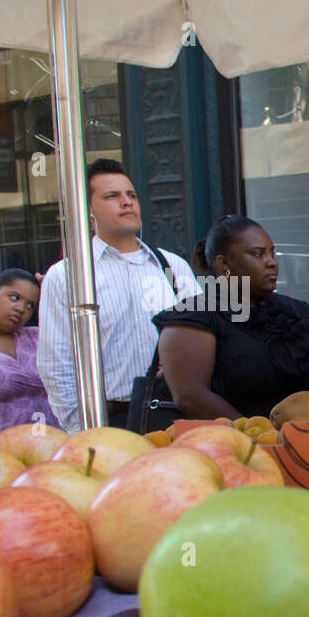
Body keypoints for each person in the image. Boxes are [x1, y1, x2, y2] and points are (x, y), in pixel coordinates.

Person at [36, 158, 201, 431]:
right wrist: (83, 430)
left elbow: (203, 339)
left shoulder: (172, 266)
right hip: (108, 421)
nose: (126, 202)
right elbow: (56, 364)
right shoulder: (68, 275)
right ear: (87, 210)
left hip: (174, 413)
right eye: (112, 196)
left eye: (131, 195)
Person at [154, 215, 309, 420]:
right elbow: (190, 397)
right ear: (224, 265)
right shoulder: (193, 317)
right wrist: (255, 437)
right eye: (258, 254)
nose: (271, 262)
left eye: (272, 253)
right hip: (234, 445)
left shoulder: (296, 310)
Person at [0, 269, 57, 433]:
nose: (21, 308)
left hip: (52, 445)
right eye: (14, 297)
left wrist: (56, 289)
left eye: (30, 305)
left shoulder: (38, 337)